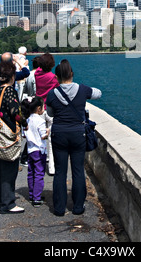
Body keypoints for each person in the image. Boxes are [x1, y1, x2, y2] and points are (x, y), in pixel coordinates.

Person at [46, 59, 102, 216]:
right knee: (78, 170)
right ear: (72, 74)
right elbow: (98, 93)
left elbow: (50, 114)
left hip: (59, 134)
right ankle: (78, 207)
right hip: (78, 134)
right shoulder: (82, 89)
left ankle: (59, 208)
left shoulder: (52, 94)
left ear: (56, 76)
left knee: (60, 172)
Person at [0, 60, 28, 214]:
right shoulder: (10, 91)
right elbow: (15, 113)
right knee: (10, 169)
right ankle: (8, 203)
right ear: (12, 76)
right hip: (8, 137)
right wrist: (24, 123)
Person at [21, 97, 49, 207]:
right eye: (43, 106)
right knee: (39, 174)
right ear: (38, 108)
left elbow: (24, 135)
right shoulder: (41, 121)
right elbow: (43, 136)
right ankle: (37, 198)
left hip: (30, 150)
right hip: (39, 150)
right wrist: (48, 131)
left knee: (31, 172)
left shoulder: (27, 120)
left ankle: (32, 194)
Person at [35, 53, 59, 175]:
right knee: (51, 138)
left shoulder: (36, 74)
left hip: (39, 108)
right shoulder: (53, 77)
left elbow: (39, 69)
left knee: (39, 138)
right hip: (49, 109)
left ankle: (39, 164)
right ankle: (52, 167)